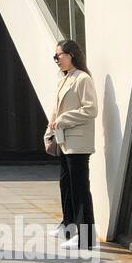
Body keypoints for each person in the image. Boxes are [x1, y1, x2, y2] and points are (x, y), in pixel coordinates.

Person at [47, 39, 99, 250]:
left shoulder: (83, 79)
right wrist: (48, 134)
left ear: (71, 55)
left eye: (58, 56)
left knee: (80, 190)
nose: (57, 60)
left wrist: (63, 120)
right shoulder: (64, 79)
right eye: (55, 57)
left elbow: (91, 109)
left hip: (78, 143)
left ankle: (86, 237)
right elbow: (55, 112)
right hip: (64, 141)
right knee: (66, 185)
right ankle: (68, 226)